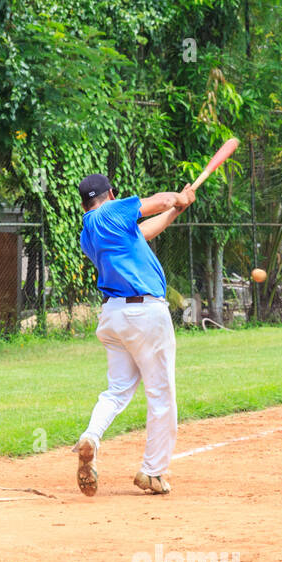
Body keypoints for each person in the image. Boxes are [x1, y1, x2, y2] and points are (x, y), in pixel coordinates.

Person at [72, 173, 196, 496]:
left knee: (116, 391)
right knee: (160, 394)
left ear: (84, 202)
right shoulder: (112, 211)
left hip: (114, 316)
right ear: (111, 194)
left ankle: (91, 437)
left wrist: (175, 211)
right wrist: (177, 199)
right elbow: (160, 199)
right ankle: (152, 472)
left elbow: (142, 233)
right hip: (145, 314)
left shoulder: (88, 232)